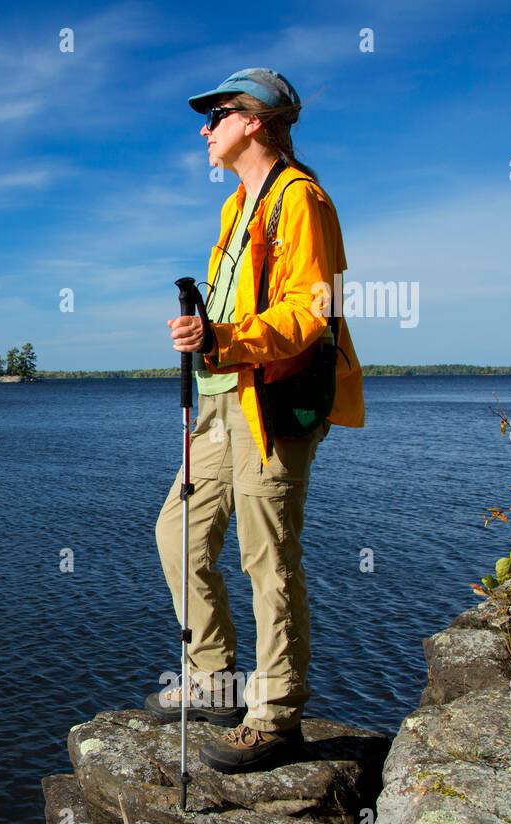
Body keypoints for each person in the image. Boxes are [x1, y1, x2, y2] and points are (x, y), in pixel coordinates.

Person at [145, 68, 365, 773]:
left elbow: (311, 312)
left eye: (215, 115)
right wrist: (205, 336)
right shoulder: (237, 206)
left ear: (254, 121)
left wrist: (222, 340)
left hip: (272, 404)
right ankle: (213, 678)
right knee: (178, 532)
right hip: (222, 400)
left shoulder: (301, 199)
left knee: (266, 557)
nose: (204, 129)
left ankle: (275, 717)